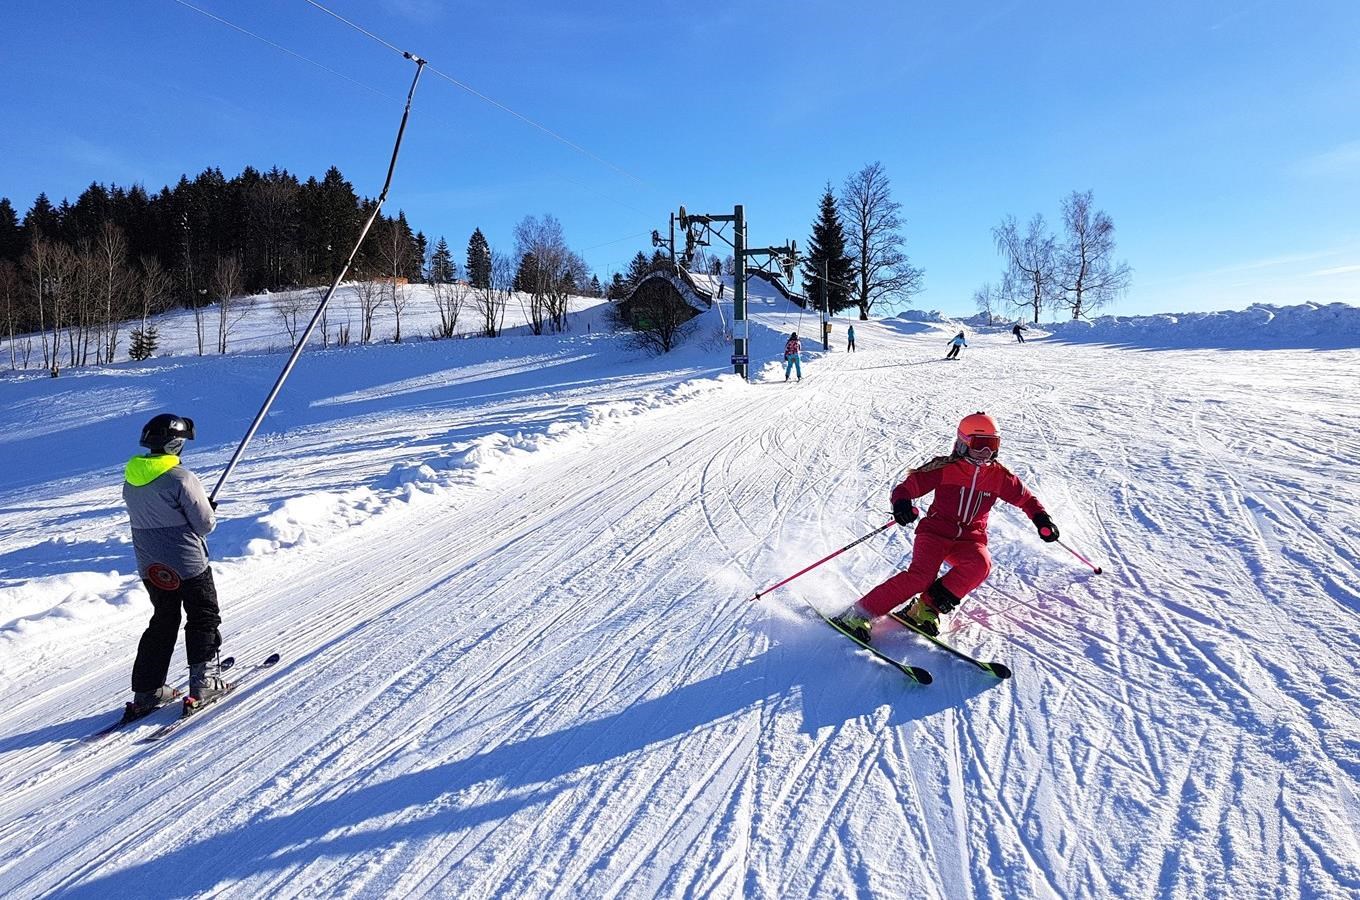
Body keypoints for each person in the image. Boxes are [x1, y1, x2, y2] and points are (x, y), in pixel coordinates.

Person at [831, 412, 1058, 642]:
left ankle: (925, 608)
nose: (985, 454)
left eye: (991, 446)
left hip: (970, 540)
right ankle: (859, 613)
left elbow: (1026, 500)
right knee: (921, 576)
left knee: (980, 565)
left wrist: (1042, 520)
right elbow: (907, 488)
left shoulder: (1000, 477)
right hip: (935, 534)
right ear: (963, 443)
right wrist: (902, 504)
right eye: (979, 446)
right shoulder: (946, 468)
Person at [123, 413, 227, 716]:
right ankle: (204, 681)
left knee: (164, 620)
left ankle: (147, 689)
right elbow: (205, 524)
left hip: (151, 565)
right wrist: (205, 506)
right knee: (203, 615)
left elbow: (158, 511)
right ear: (175, 444)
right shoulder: (181, 477)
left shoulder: (131, 477)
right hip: (187, 562)